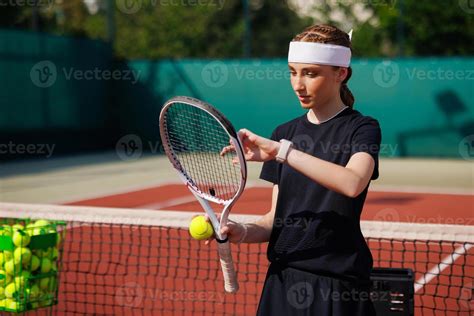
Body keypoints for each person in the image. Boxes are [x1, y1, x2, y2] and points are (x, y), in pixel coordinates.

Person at [217, 24, 381, 315]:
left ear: (341, 73)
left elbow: (352, 182)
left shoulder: (362, 128)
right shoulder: (285, 131)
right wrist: (240, 231)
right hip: (281, 282)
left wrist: (283, 152)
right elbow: (273, 220)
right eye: (293, 72)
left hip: (338, 288)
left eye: (311, 73)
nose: (298, 84)